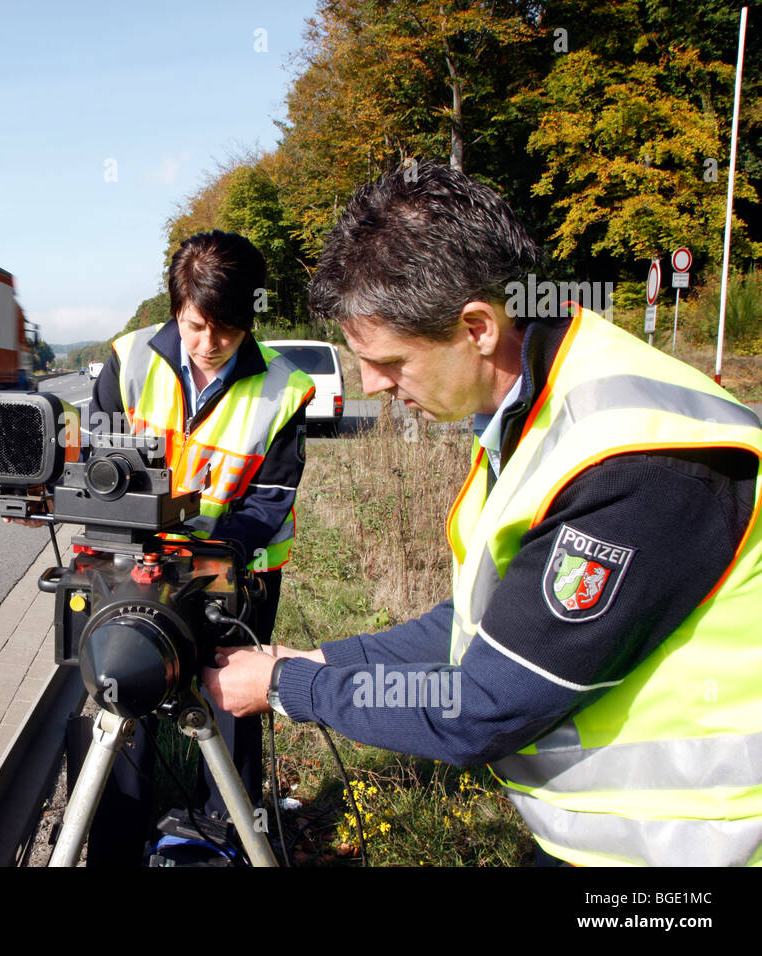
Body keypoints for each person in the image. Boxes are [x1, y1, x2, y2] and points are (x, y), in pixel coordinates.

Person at [203, 161, 762, 867]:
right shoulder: (541, 404)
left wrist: (291, 685)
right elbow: (479, 628)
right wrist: (321, 660)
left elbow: (484, 703)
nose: (373, 386)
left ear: (476, 327)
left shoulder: (633, 457)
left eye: (390, 362)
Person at [79, 229, 316, 864]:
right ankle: (117, 844)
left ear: (250, 318)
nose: (210, 345)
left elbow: (269, 498)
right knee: (123, 692)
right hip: (137, 562)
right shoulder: (128, 361)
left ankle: (230, 834)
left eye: (228, 329)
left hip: (239, 570)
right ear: (175, 309)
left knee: (231, 697)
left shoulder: (286, 389)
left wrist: (215, 553)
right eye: (195, 326)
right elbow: (97, 463)